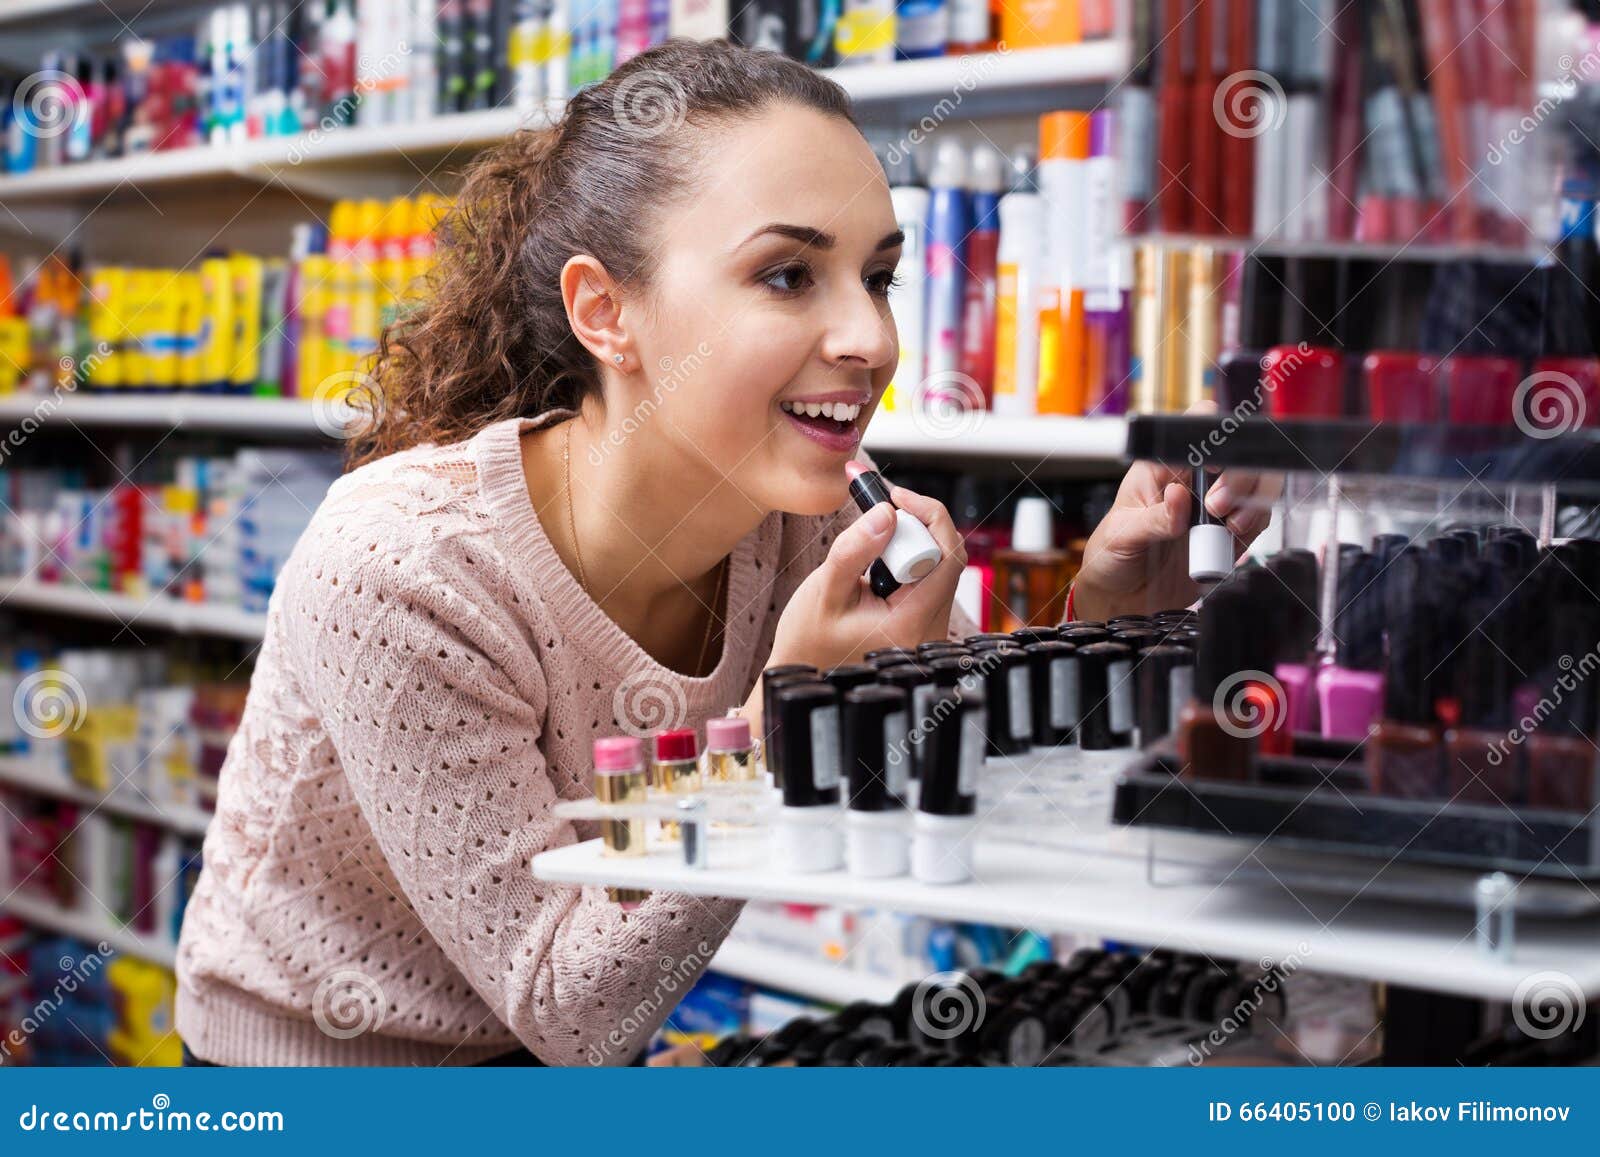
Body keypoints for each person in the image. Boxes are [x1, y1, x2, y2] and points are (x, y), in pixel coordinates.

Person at [175, 39, 1268, 1067]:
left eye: (877, 277)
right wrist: (796, 724)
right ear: (607, 312)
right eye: (789, 275)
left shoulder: (808, 509)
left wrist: (1110, 619)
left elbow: (981, 756)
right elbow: (575, 1009)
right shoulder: (403, 567)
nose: (873, 340)